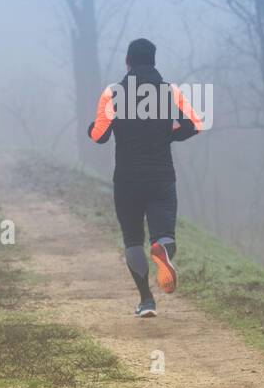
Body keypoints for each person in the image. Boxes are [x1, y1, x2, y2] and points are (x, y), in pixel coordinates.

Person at [87, 38, 204, 317]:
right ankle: (162, 250)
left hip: (127, 180)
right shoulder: (170, 91)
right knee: (164, 235)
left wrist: (93, 126)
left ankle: (147, 301)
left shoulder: (113, 93)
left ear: (128, 62)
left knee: (132, 239)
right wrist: (168, 135)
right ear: (153, 62)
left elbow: (99, 137)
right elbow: (195, 125)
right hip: (161, 177)